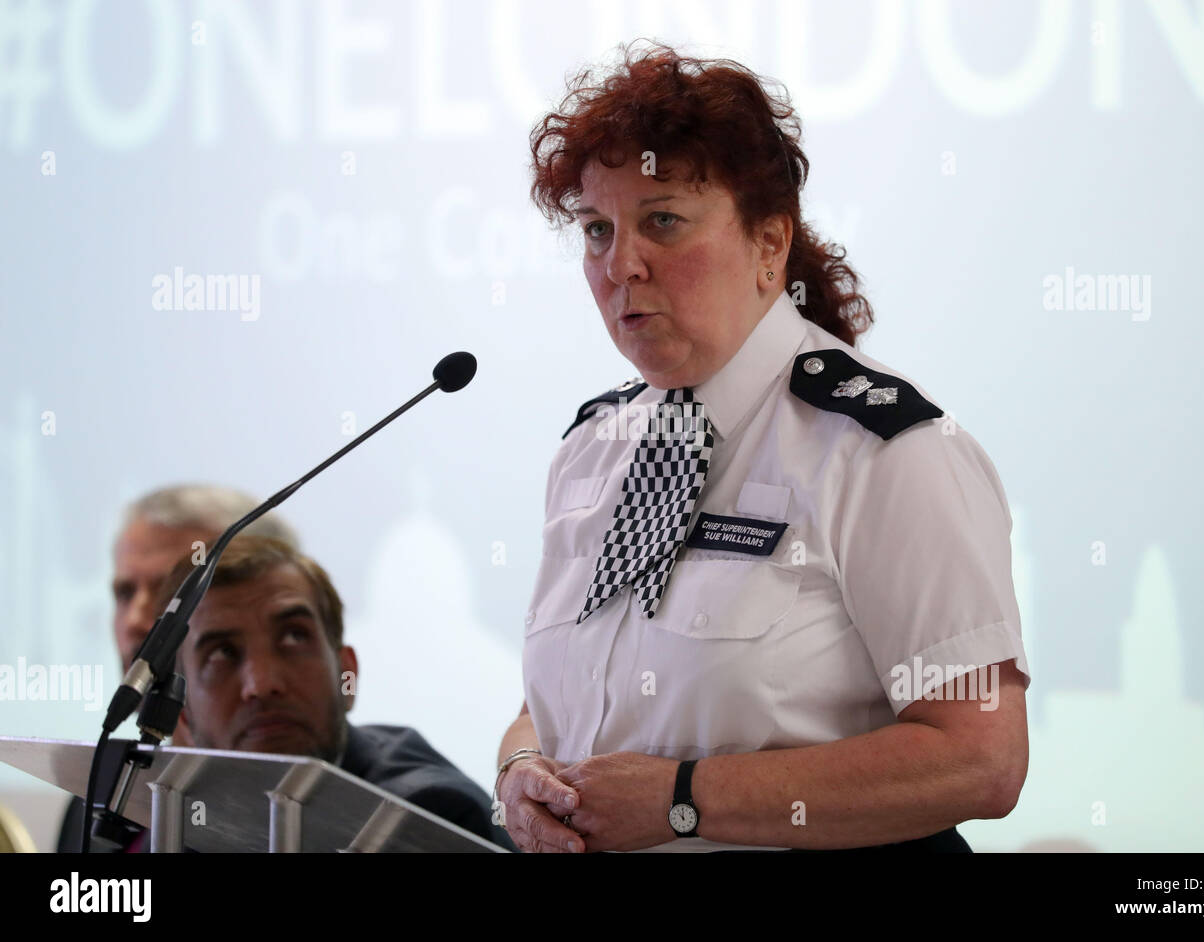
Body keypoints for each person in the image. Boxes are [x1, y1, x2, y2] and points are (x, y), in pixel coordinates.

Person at [494, 42, 1030, 854]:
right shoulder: (589, 453)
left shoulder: (882, 450)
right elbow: (567, 702)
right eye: (598, 230)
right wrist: (521, 772)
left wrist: (683, 800)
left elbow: (979, 760)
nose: (621, 265)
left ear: (770, 244)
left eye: (662, 221)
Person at [154, 534, 512, 851]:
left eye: (294, 637)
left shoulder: (428, 817)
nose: (262, 685)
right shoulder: (169, 818)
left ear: (347, 672)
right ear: (182, 713)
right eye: (221, 654)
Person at [57, 484, 298, 852]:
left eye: (168, 593)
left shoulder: (315, 807)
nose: (136, 619)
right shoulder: (93, 801)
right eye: (124, 593)